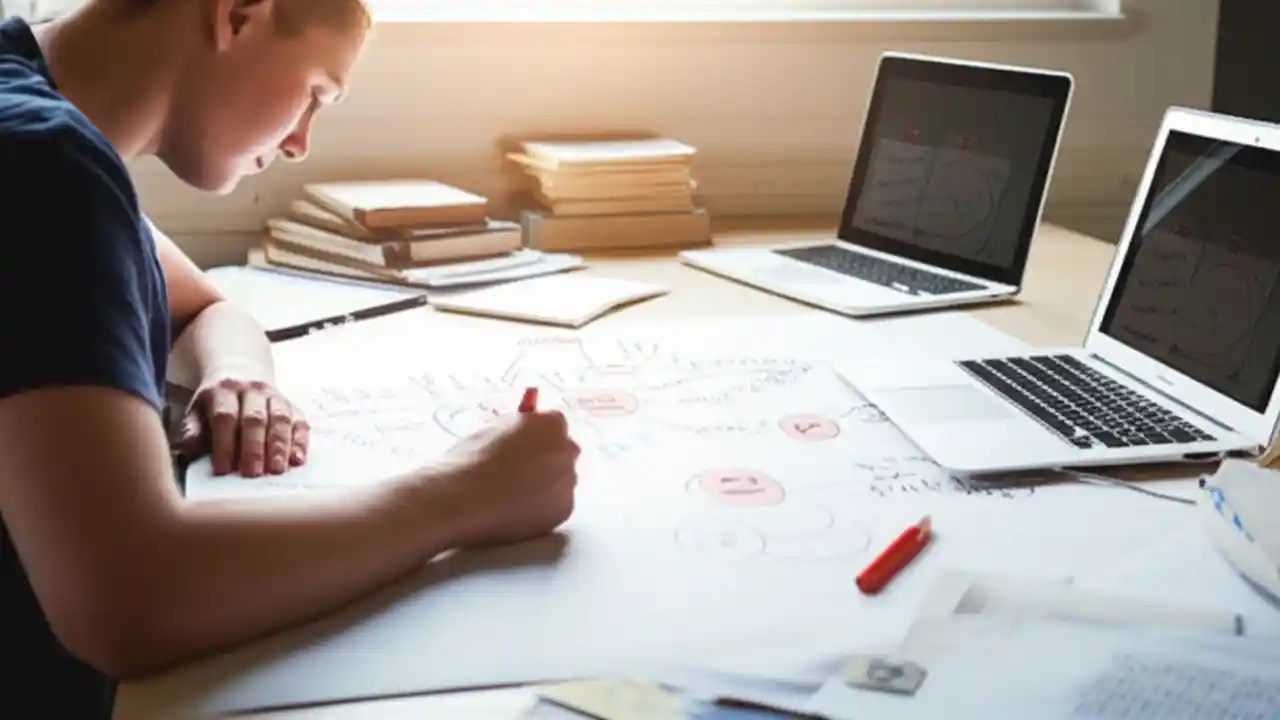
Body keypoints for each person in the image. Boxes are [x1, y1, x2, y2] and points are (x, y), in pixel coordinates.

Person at [0, 1, 580, 717]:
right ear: (238, 14)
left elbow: (203, 309)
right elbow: (128, 598)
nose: (302, 142)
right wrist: (465, 497)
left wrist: (235, 373)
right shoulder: (41, 166)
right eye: (315, 93)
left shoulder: (37, 119)